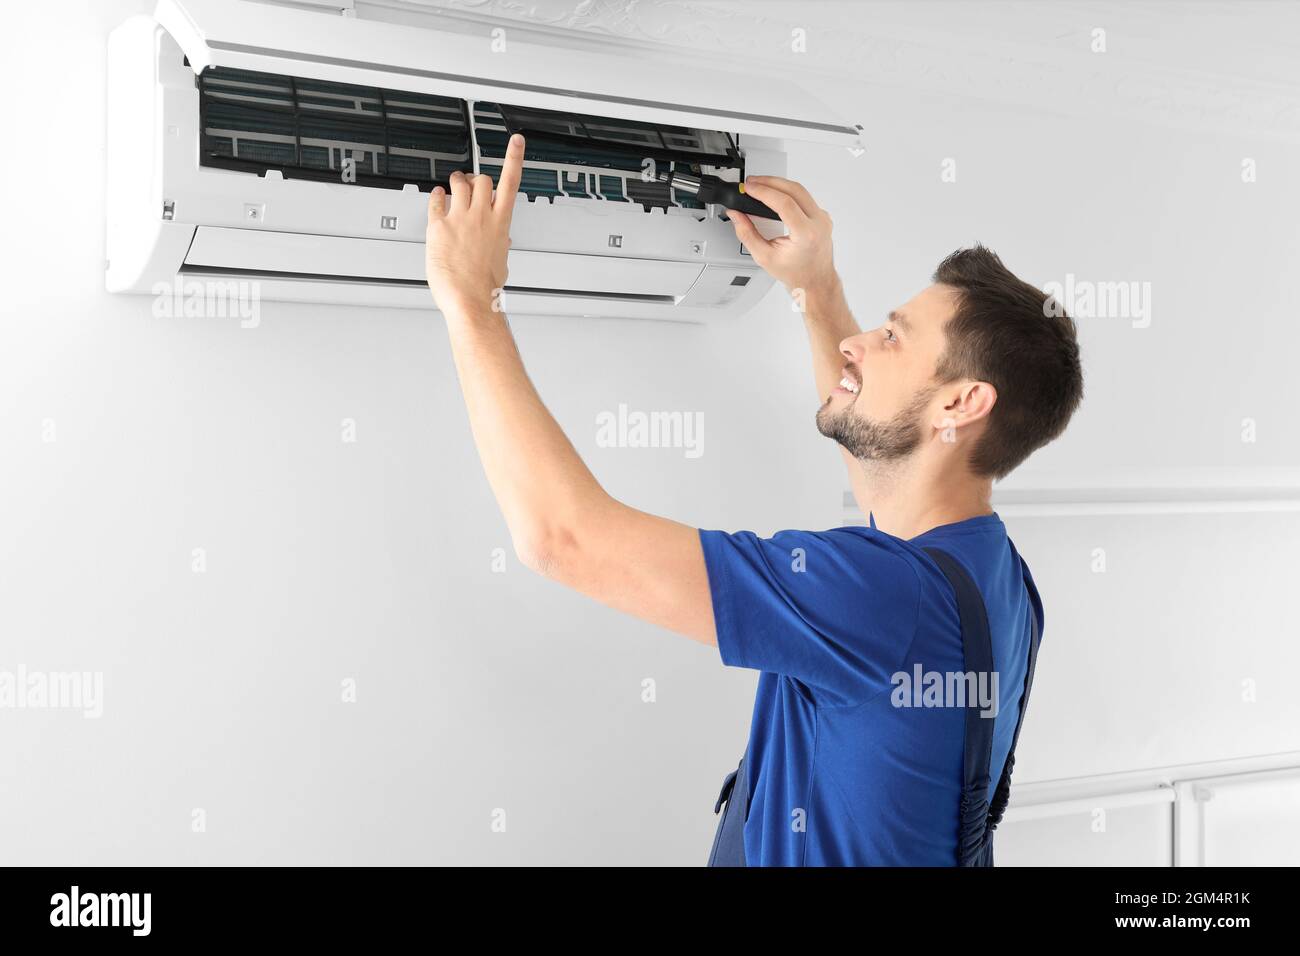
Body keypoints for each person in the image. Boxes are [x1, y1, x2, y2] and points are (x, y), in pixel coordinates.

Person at [424, 133, 1084, 866]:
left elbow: (562, 538)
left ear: (961, 403)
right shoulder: (994, 578)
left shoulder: (882, 594)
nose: (859, 345)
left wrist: (470, 304)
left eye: (893, 337)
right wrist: (816, 288)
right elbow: (883, 466)